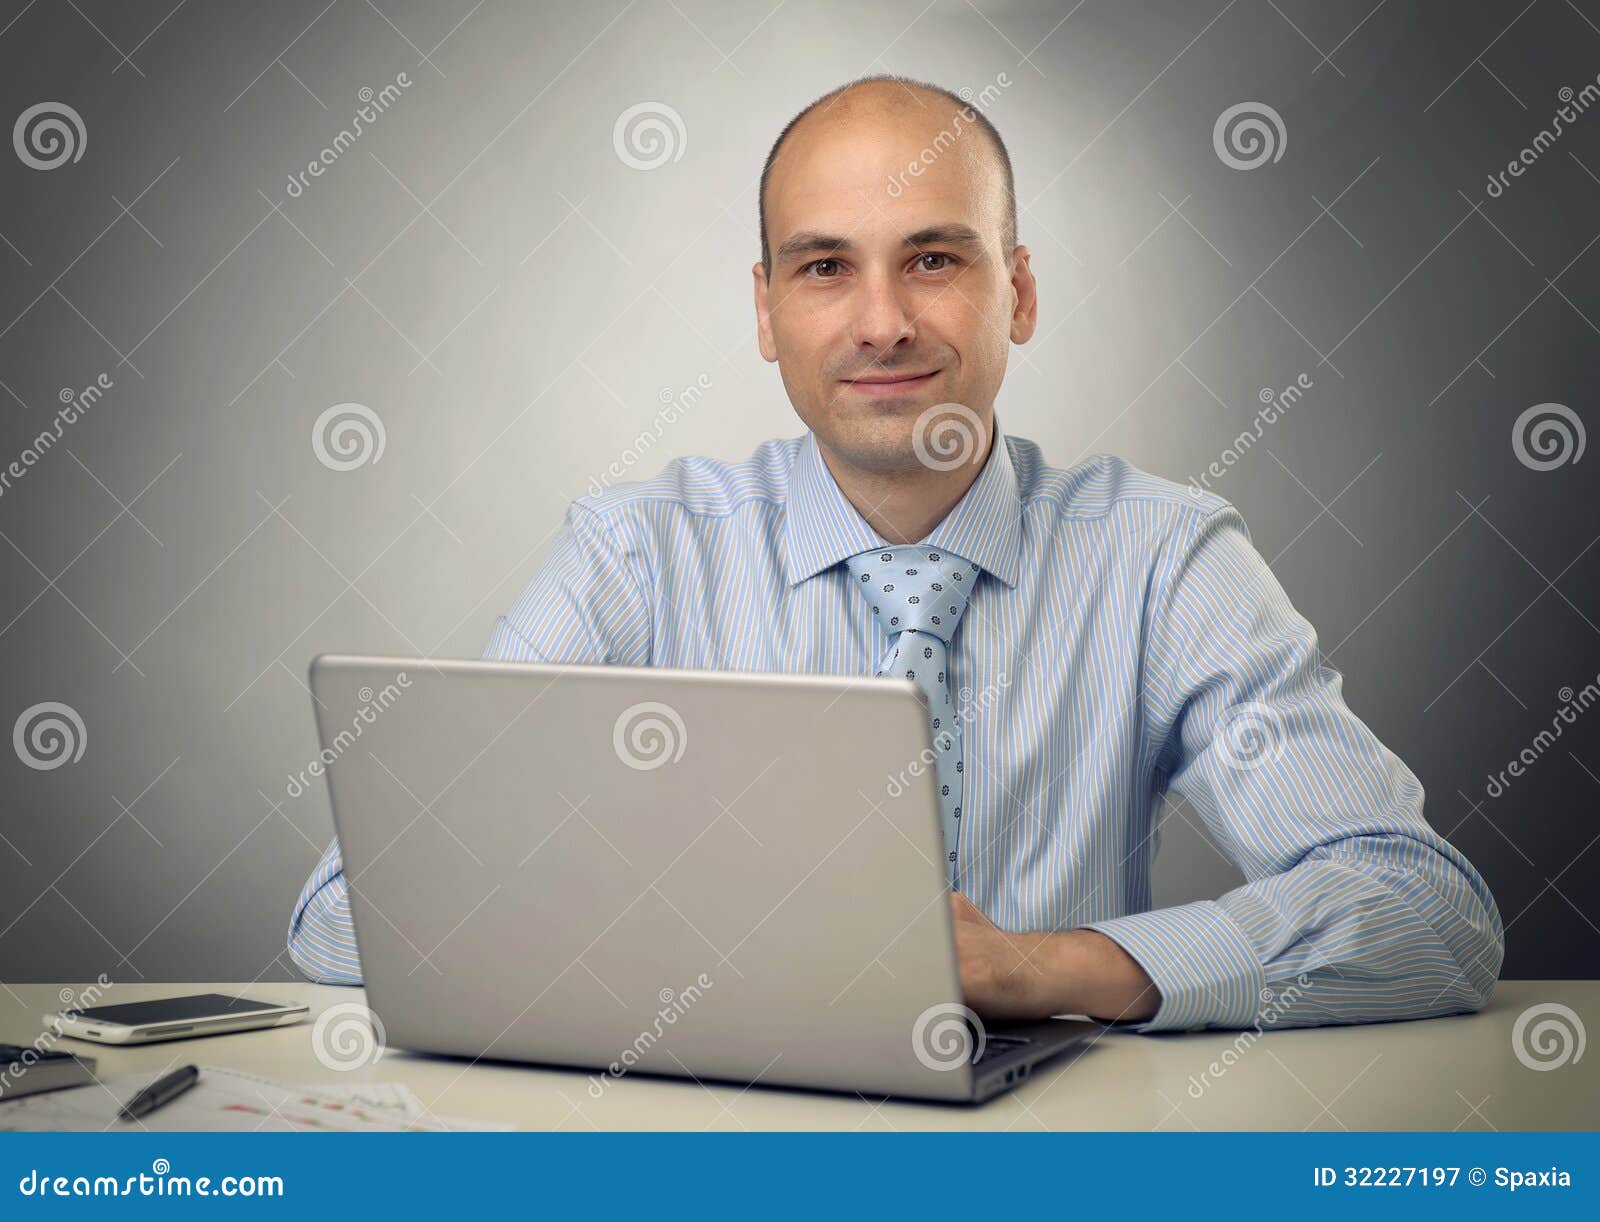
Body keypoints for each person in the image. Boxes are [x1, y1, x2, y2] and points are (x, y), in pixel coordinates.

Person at [289, 75, 1503, 1033]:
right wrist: (702, 964)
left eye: (933, 257)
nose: (882, 323)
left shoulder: (1163, 560)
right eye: (825, 267)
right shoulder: (635, 558)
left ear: (1016, 293)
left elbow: (1426, 911)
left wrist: (1050, 968)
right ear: (764, 311)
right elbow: (352, 913)